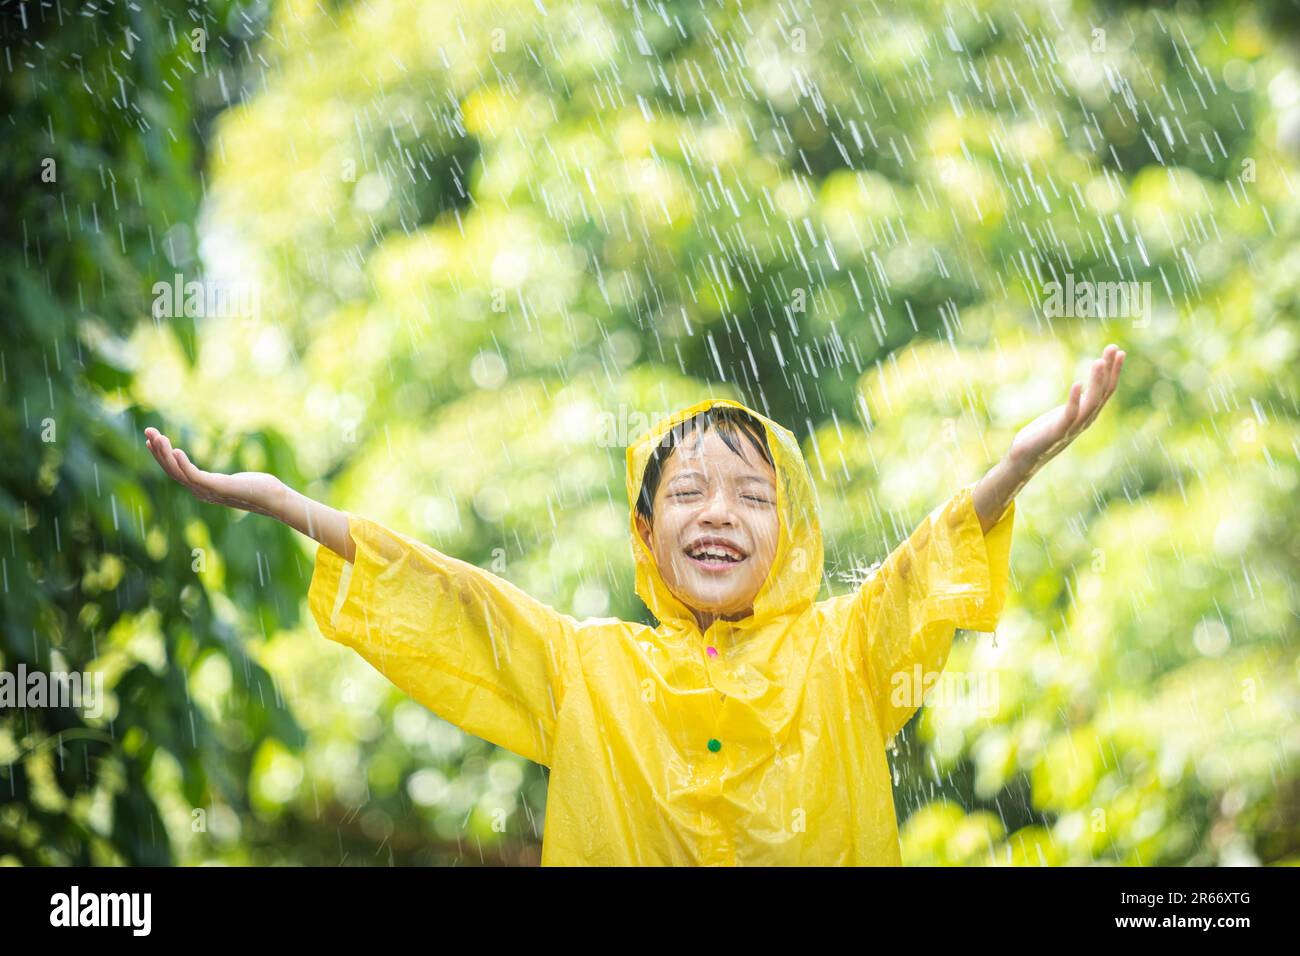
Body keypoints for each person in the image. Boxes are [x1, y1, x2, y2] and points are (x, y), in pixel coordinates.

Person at [144, 345, 1125, 865]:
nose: (719, 514)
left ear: (792, 536)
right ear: (645, 531)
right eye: (688, 492)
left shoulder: (846, 652)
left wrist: (1016, 462)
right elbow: (452, 596)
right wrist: (289, 505)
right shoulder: (584, 667)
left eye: (751, 496)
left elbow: (926, 562)